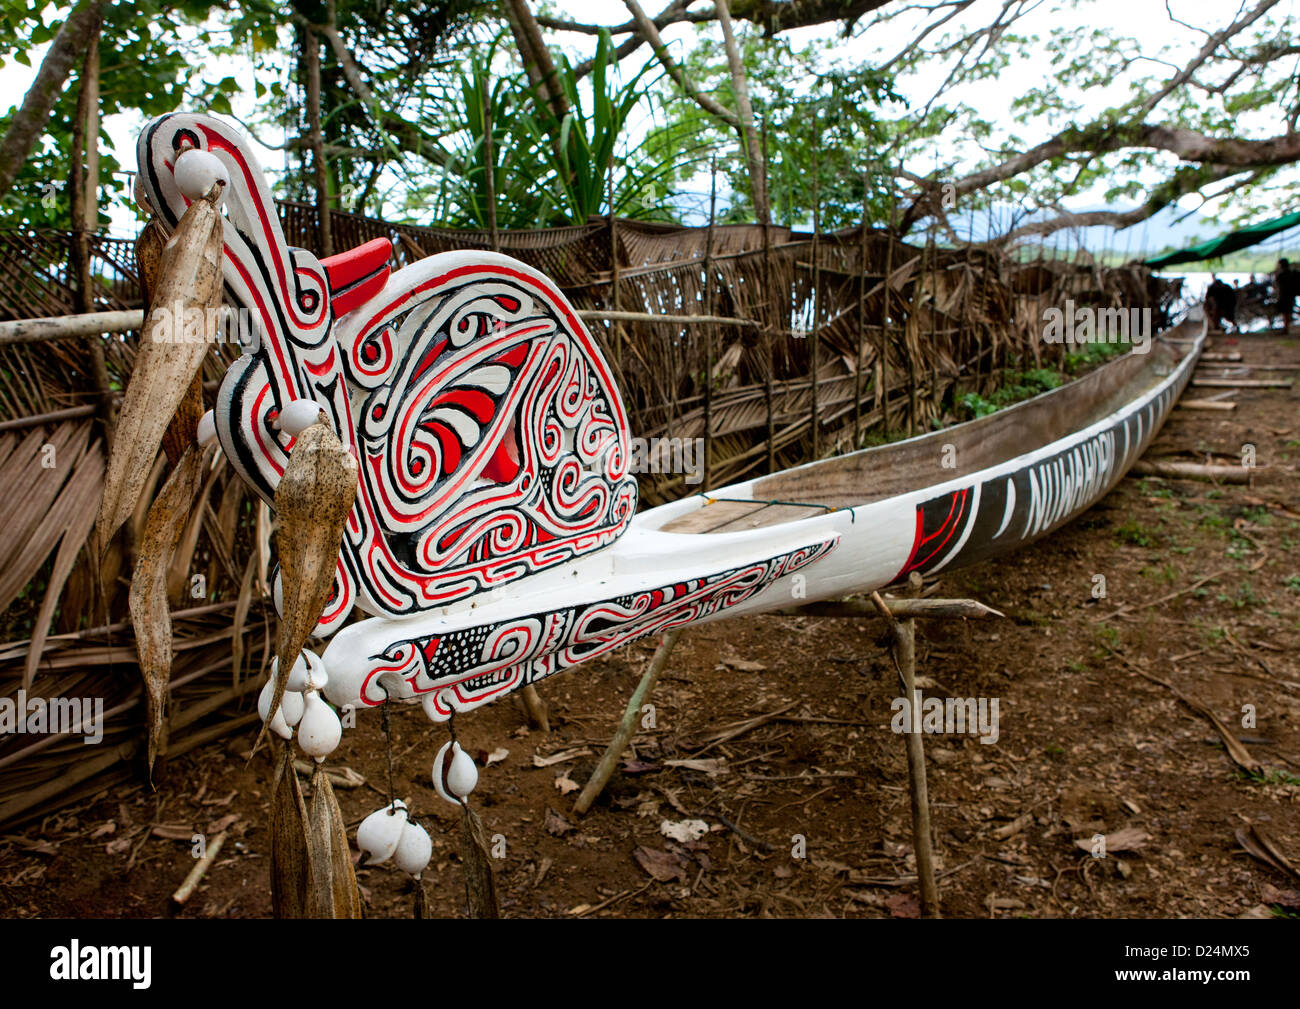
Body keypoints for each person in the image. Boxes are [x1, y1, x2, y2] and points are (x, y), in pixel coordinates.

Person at [1274, 258, 1298, 333]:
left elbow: (1278, 284)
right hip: (1290, 295)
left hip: (1285, 295)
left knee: (1285, 312)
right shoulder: (1292, 273)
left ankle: (1286, 328)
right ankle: (1287, 327)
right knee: (1288, 311)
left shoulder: (1282, 275)